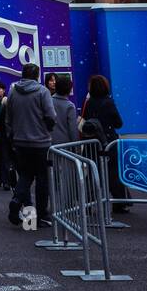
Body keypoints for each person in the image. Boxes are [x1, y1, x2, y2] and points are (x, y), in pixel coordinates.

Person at [5, 63, 56, 227]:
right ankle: (40, 216)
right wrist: (47, 129)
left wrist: (12, 136)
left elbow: (9, 118)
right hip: (41, 142)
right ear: (37, 75)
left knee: (25, 177)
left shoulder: (13, 92)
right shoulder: (42, 91)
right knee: (42, 179)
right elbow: (51, 115)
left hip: (20, 142)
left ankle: (19, 202)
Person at [81, 74, 128, 210]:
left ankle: (88, 204)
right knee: (113, 173)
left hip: (92, 142)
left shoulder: (89, 103)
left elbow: (85, 120)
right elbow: (118, 123)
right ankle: (120, 204)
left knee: (92, 173)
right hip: (109, 142)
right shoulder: (108, 102)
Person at [51, 74, 79, 146]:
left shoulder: (48, 101)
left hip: (49, 143)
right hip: (65, 146)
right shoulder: (70, 106)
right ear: (69, 89)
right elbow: (73, 130)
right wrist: (77, 149)